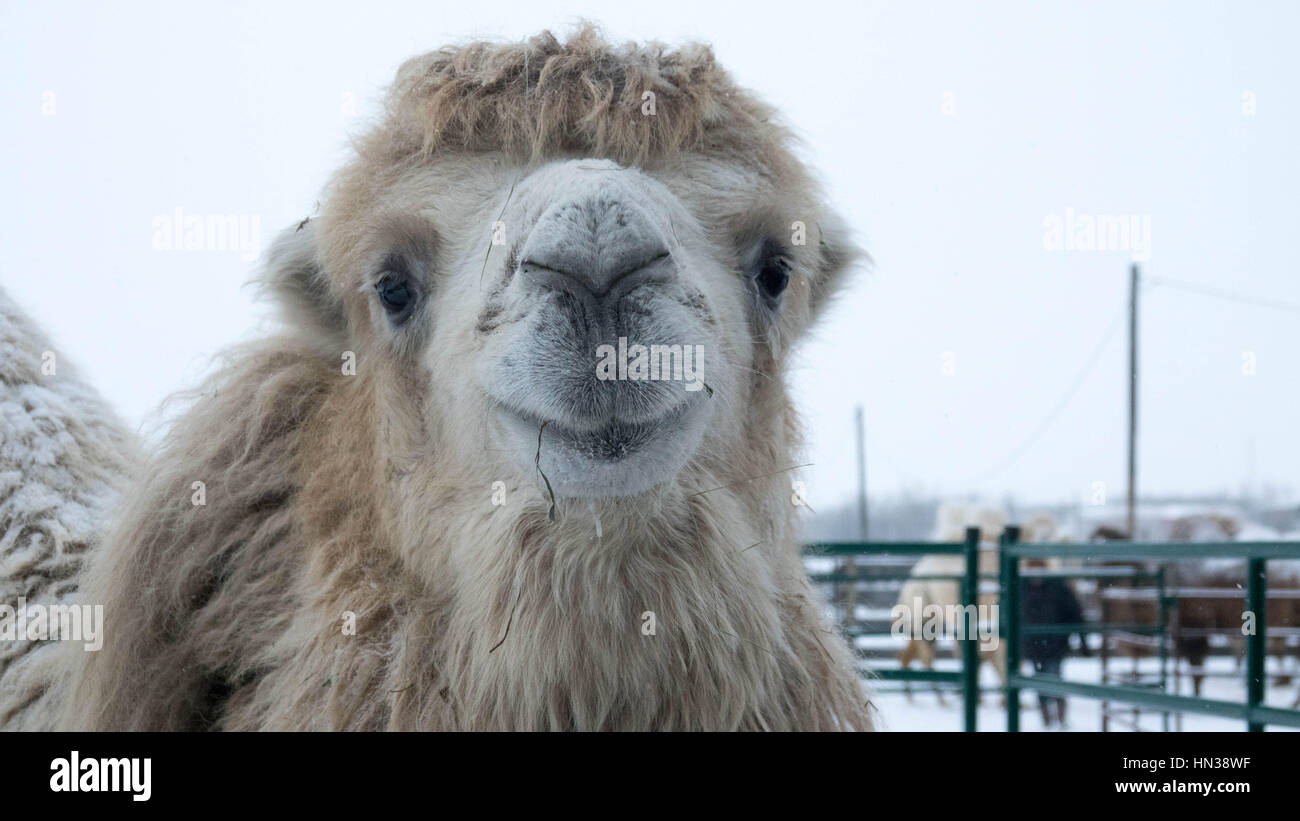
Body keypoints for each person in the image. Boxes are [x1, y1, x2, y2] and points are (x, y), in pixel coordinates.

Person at [1021, 560, 1089, 729]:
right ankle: (1049, 720)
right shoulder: (1025, 588)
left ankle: (1058, 719)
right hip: (1036, 645)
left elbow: (1074, 613)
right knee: (1043, 679)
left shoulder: (1056, 586)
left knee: (1053, 676)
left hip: (1053, 644)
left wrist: (1082, 641)